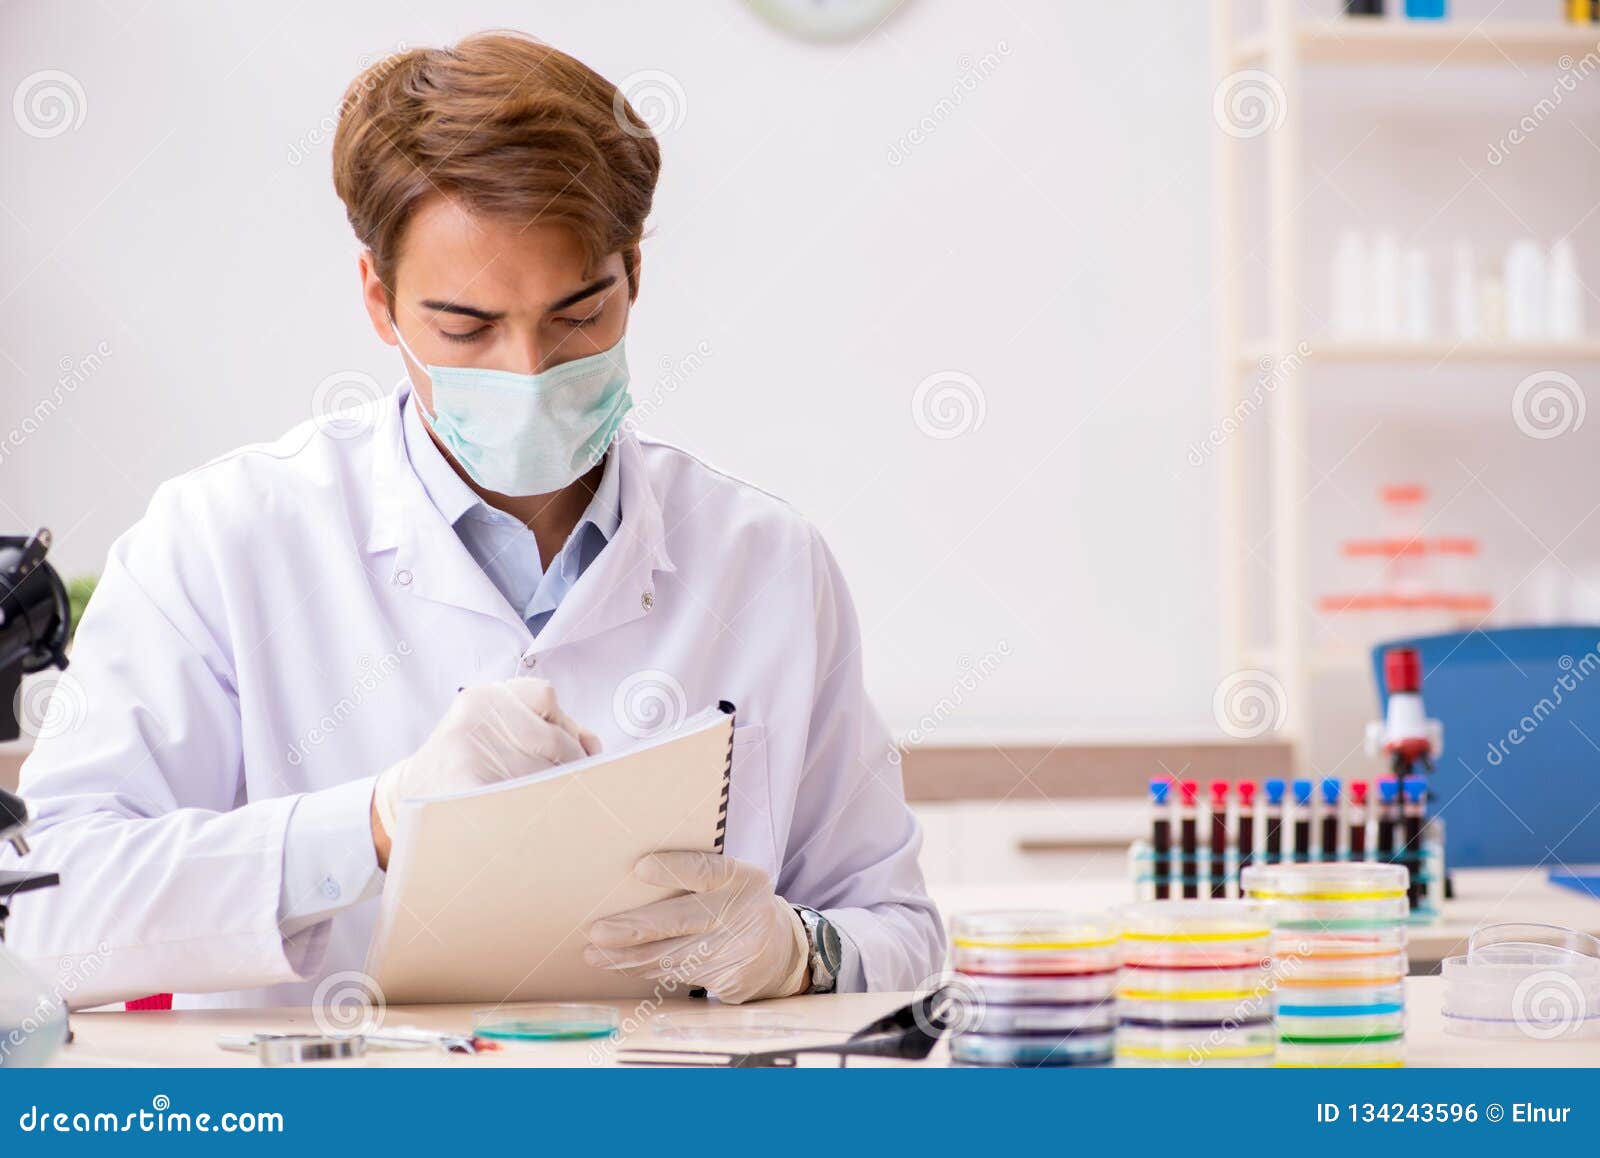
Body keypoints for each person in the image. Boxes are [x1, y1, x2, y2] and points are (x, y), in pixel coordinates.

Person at [2, 32, 943, 1010]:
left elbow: (901, 928)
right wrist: (372, 823)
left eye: (577, 314)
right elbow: (41, 914)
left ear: (632, 272)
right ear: (380, 298)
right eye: (466, 328)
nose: (528, 372)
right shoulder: (221, 542)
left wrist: (801, 949)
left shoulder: (767, 563)